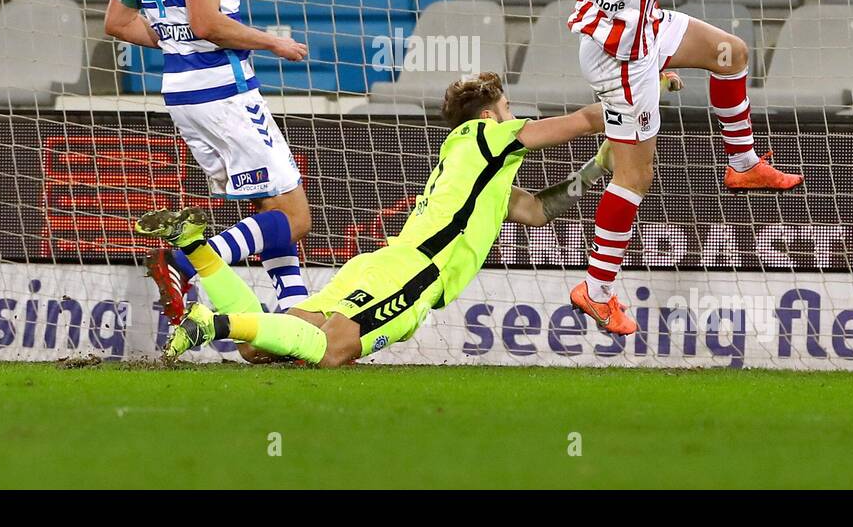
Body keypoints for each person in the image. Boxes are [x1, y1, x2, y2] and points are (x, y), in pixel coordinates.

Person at [157, 72, 613, 368]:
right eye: (509, 109)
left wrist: (597, 168)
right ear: (490, 115)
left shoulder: (471, 166)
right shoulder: (488, 136)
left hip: (383, 265)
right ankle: (212, 324)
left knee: (259, 346)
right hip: (415, 275)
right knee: (333, 351)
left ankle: (199, 252)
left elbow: (535, 211)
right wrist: (639, 95)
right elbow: (586, 119)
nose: (515, 117)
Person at [568, 0, 807, 335]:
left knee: (731, 54)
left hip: (639, 23)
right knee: (634, 176)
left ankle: (742, 165)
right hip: (623, 52)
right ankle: (597, 290)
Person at [104, 0, 312, 322]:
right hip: (223, 90)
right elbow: (208, 23)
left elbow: (117, 20)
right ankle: (180, 261)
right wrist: (273, 42)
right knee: (295, 217)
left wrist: (173, 38)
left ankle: (295, 313)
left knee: (268, 206)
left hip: (182, 90)